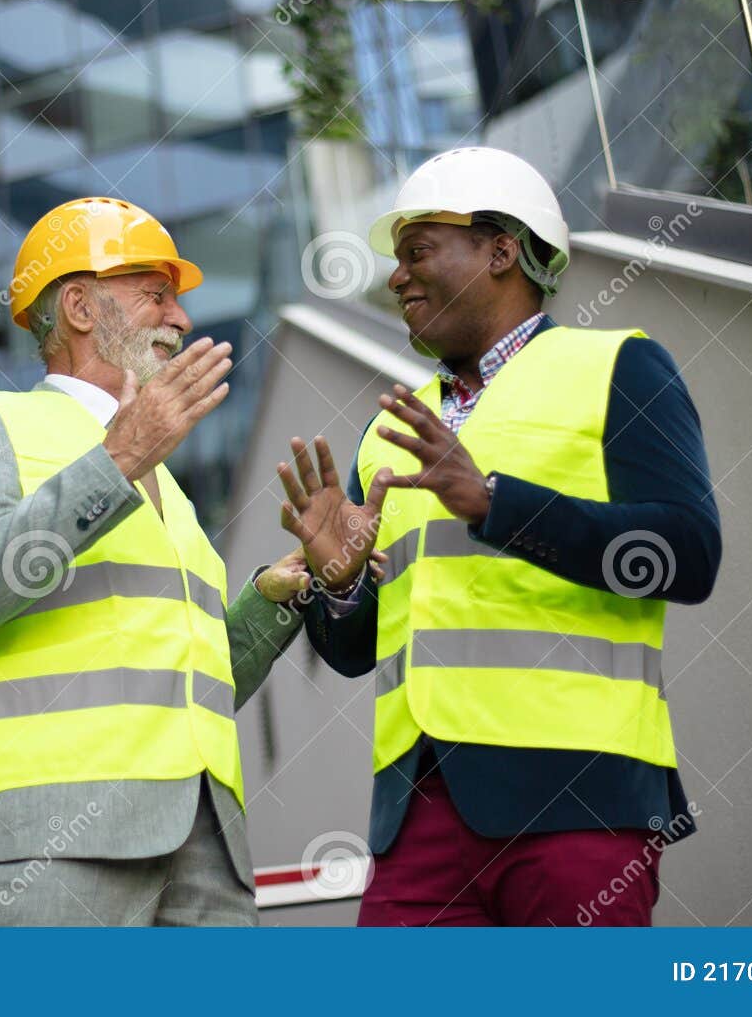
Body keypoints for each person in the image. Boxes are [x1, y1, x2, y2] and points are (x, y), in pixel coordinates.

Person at [278, 147, 723, 926]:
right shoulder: (389, 431)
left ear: (501, 250)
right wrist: (341, 584)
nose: (397, 276)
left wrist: (495, 505)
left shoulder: (618, 366)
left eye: (418, 250)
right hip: (416, 816)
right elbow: (355, 651)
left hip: (579, 798)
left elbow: (688, 552)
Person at [0, 196, 310, 926]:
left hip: (207, 847)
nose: (183, 318)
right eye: (156, 294)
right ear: (79, 306)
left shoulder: (169, 490)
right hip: (53, 843)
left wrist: (283, 592)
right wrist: (120, 456)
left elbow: (198, 681)